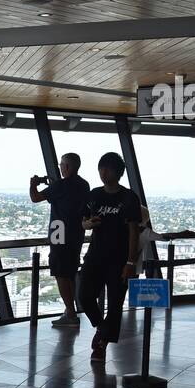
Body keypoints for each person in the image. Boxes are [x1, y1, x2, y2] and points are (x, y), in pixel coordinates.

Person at [77, 152, 141, 364]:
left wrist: (130, 262)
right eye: (101, 169)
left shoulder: (129, 197)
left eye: (108, 169)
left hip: (119, 259)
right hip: (95, 255)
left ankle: (101, 344)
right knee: (84, 296)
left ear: (118, 172)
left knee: (115, 303)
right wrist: (87, 224)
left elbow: (134, 231)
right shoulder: (94, 195)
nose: (103, 173)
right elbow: (83, 220)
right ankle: (102, 329)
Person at [30, 152, 90, 328]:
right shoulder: (83, 185)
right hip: (76, 233)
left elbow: (35, 198)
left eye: (61, 165)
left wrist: (33, 184)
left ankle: (70, 312)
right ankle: (70, 311)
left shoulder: (60, 186)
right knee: (70, 271)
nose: (60, 167)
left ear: (68, 167)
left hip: (58, 231)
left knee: (59, 272)